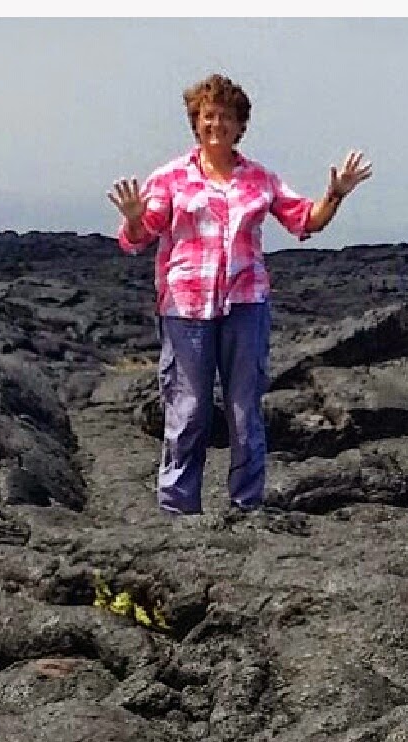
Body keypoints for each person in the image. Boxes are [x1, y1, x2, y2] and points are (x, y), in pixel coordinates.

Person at [108, 73, 372, 515]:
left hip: (246, 304)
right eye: (208, 117)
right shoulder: (171, 178)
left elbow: (305, 220)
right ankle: (178, 510)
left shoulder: (260, 179)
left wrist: (335, 194)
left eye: (226, 118)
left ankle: (246, 506)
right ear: (196, 122)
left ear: (239, 125)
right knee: (188, 410)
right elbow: (139, 237)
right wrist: (135, 217)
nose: (216, 125)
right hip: (185, 307)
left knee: (244, 410)